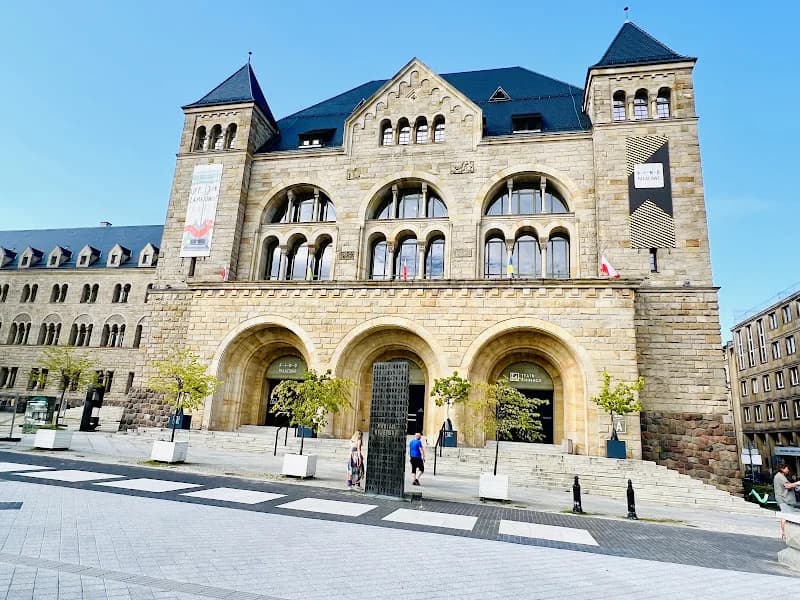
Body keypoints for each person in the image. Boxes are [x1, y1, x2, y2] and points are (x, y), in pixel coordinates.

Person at [773, 461, 800, 538]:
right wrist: (797, 483)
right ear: (782, 469)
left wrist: (794, 485)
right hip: (783, 500)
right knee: (785, 516)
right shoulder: (779, 476)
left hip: (785, 500)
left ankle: (785, 533)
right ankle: (784, 533)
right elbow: (787, 486)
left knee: (786, 515)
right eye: (787, 469)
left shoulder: (781, 476)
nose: (788, 470)